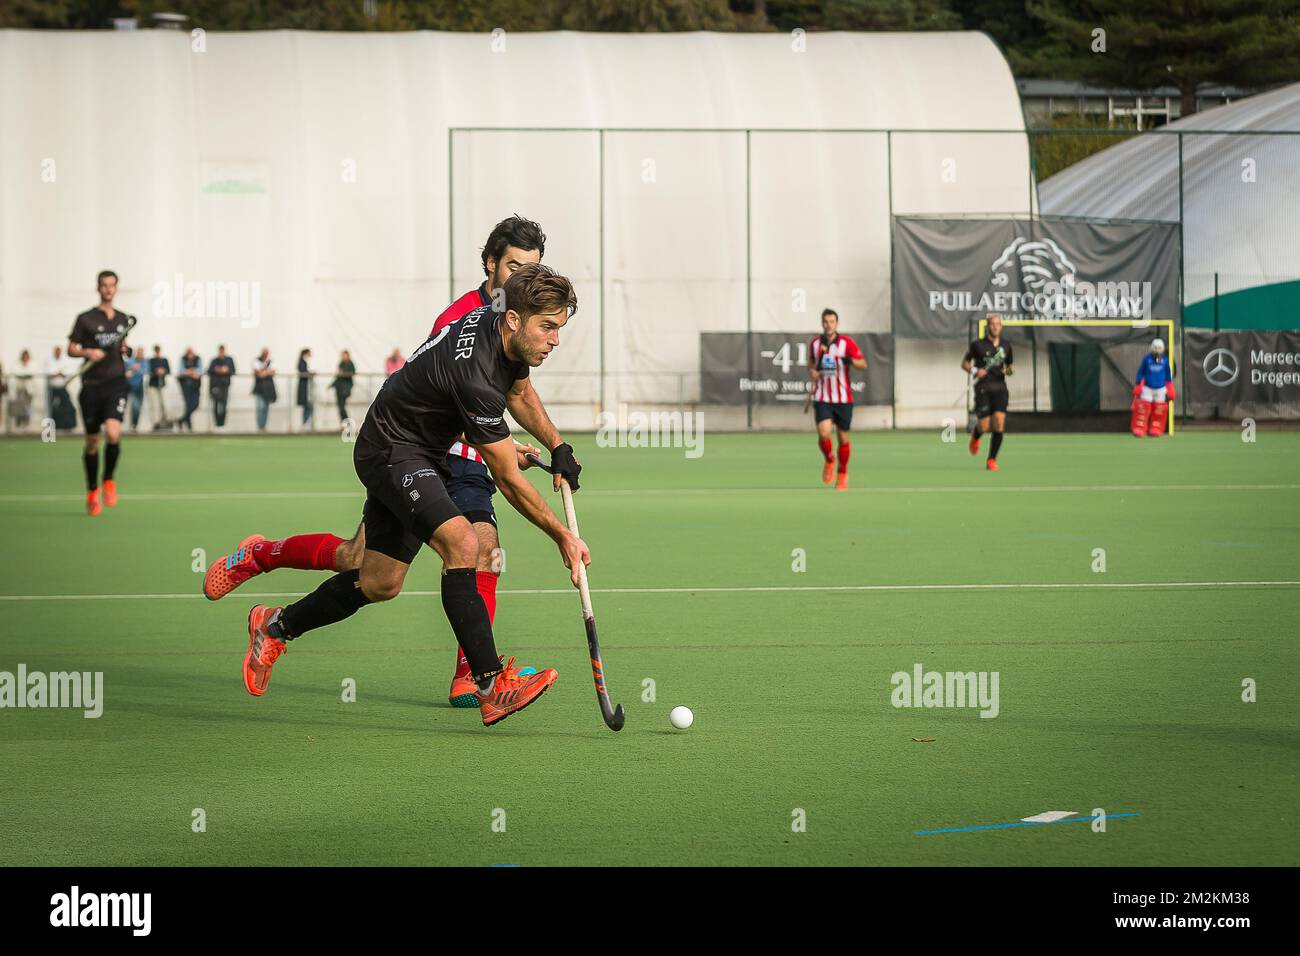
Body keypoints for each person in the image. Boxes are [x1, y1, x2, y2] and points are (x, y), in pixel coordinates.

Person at [203, 215, 564, 709]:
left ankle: (274, 625)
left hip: (436, 448)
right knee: (462, 543)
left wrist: (555, 445)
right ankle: (486, 681)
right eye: (515, 268)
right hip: (403, 449)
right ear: (491, 266)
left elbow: (517, 388)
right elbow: (476, 419)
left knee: (379, 580)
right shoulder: (467, 325)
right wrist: (560, 530)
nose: (523, 278)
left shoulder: (510, 322)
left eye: (532, 270)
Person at [67, 270, 133, 516]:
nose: (108, 289)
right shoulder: (85, 319)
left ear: (116, 288)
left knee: (114, 434)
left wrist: (126, 348)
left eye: (112, 285)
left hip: (116, 383)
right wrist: (88, 353)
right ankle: (92, 490)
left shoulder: (123, 319)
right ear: (98, 288)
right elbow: (71, 348)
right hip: (92, 386)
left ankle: (108, 480)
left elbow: (123, 348)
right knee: (93, 442)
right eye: (104, 285)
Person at [808, 308, 867, 491]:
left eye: (832, 321)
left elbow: (863, 364)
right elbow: (811, 365)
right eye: (826, 321)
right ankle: (829, 460)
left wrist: (849, 360)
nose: (828, 325)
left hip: (843, 398)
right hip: (823, 396)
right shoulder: (816, 344)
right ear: (822, 323)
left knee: (842, 437)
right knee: (824, 433)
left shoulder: (847, 343)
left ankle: (842, 473)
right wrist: (813, 373)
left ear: (837, 323)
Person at [962, 312, 1015, 471]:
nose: (995, 327)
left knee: (999, 423)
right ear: (988, 326)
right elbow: (964, 363)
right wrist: (975, 371)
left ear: (1001, 326)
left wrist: (1009, 372)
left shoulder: (1006, 346)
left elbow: (1011, 367)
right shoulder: (977, 345)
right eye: (992, 324)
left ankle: (991, 459)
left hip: (1000, 389)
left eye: (998, 324)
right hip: (983, 389)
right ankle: (976, 436)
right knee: (984, 426)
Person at [1131, 338, 1176, 438]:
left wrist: (1170, 388)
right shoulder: (1147, 359)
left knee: (1159, 410)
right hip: (1147, 388)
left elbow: (1168, 376)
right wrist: (1138, 384)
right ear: (1152, 348)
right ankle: (1140, 428)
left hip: (1160, 389)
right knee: (1142, 409)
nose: (1157, 350)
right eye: (1155, 347)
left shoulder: (1165, 360)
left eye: (1159, 348)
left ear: (1163, 349)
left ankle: (1156, 429)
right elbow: (1141, 372)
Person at [45, 345, 75, 427]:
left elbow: (67, 371)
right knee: (51, 407)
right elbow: (49, 372)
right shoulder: (49, 360)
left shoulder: (65, 360)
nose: (58, 353)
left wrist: (59, 373)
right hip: (52, 388)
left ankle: (66, 425)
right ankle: (51, 426)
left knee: (67, 406)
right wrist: (58, 373)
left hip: (62, 387)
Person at [208, 346, 235, 430]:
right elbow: (209, 370)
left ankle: (222, 424)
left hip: (225, 386)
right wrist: (218, 370)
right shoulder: (214, 361)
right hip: (215, 385)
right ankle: (217, 424)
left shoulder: (229, 360)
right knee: (215, 405)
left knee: (224, 405)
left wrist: (226, 370)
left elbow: (233, 370)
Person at [177, 347, 202, 431]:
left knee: (195, 404)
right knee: (188, 405)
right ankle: (189, 425)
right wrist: (191, 372)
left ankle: (181, 420)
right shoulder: (183, 359)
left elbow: (200, 371)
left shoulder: (198, 359)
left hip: (196, 386)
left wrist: (189, 372)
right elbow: (181, 371)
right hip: (185, 386)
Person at [147, 345, 172, 429]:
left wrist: (163, 371)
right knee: (155, 404)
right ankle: (155, 422)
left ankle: (164, 422)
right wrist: (156, 372)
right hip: (153, 385)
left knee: (164, 404)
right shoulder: (151, 361)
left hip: (162, 385)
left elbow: (169, 371)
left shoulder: (164, 360)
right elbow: (148, 371)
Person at [252, 348, 276, 431]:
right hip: (259, 388)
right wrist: (266, 372)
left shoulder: (270, 361)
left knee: (266, 408)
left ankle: (263, 426)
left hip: (268, 389)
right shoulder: (256, 361)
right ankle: (260, 426)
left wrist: (264, 372)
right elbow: (258, 374)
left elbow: (273, 372)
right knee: (260, 408)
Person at [11, 350, 35, 430]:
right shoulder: (17, 364)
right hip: (20, 387)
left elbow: (32, 373)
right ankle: (18, 423)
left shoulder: (32, 364)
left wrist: (24, 375)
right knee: (19, 406)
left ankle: (27, 422)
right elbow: (16, 372)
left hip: (29, 389)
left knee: (28, 406)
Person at [331, 350, 355, 425]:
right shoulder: (341, 364)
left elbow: (352, 373)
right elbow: (338, 377)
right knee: (340, 407)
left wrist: (342, 374)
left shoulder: (350, 364)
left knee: (342, 407)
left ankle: (347, 423)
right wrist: (332, 385)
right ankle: (345, 423)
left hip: (345, 389)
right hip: (339, 388)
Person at [124, 347, 145, 430]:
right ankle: (131, 424)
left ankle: (134, 424)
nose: (141, 354)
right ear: (136, 353)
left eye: (142, 353)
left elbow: (146, 371)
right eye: (140, 353)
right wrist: (133, 369)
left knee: (139, 407)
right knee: (135, 406)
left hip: (140, 387)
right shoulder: (129, 361)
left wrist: (137, 369)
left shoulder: (144, 362)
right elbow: (125, 372)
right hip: (131, 386)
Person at [297, 348, 315, 430]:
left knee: (309, 406)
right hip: (305, 389)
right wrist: (310, 374)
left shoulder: (306, 362)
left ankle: (308, 424)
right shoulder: (302, 362)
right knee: (306, 406)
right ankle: (305, 424)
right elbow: (303, 372)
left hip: (308, 388)